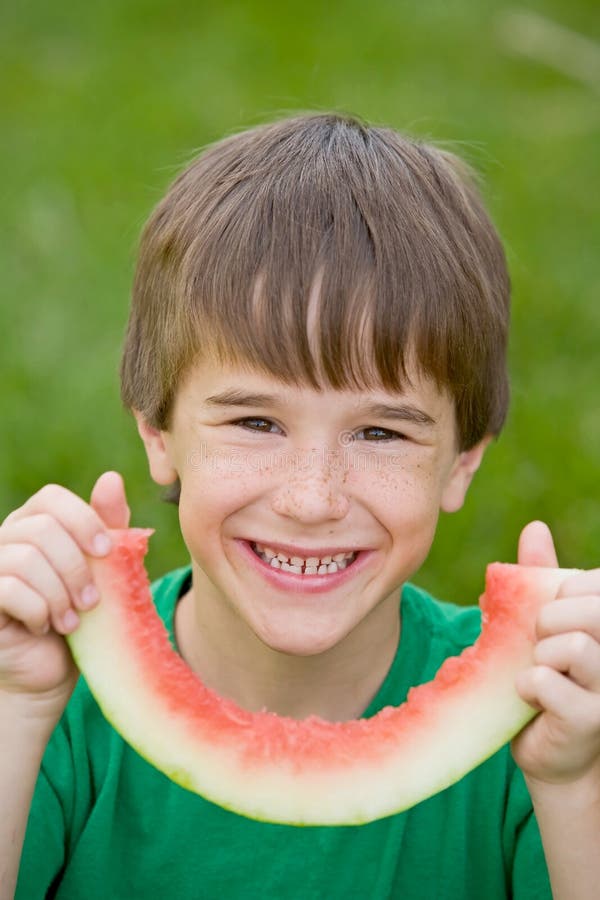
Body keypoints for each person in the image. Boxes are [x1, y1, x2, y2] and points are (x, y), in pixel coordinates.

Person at [2, 114, 599, 900]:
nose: (310, 499)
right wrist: (14, 709)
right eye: (255, 422)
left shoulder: (545, 727)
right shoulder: (54, 710)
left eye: (381, 432)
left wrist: (575, 789)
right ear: (157, 432)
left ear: (462, 463)